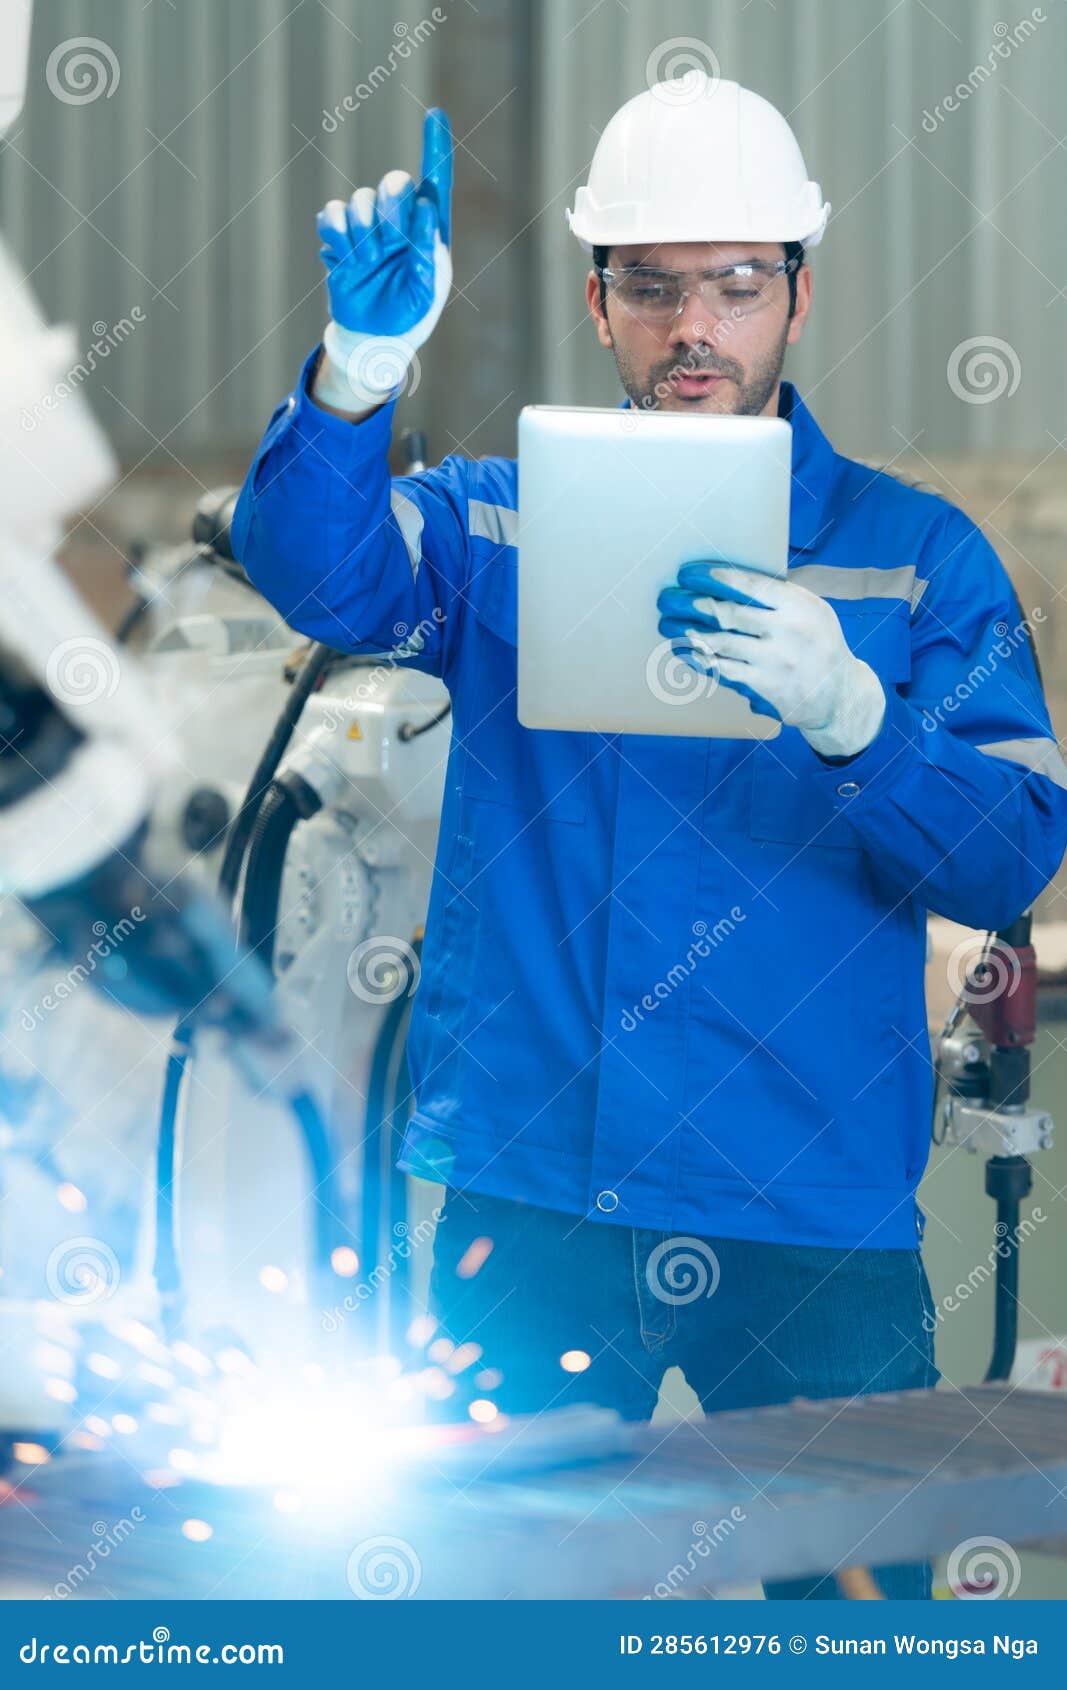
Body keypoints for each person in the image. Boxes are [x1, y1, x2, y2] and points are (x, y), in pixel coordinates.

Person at [232, 79, 1067, 1599]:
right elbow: (321, 575)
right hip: (538, 1191)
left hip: (809, 1213)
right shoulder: (502, 525)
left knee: (860, 1632)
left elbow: (1008, 855)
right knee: (487, 1620)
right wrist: (359, 374)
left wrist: (857, 717)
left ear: (799, 298)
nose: (699, 325)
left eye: (740, 284)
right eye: (655, 285)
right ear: (602, 302)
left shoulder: (918, 558)